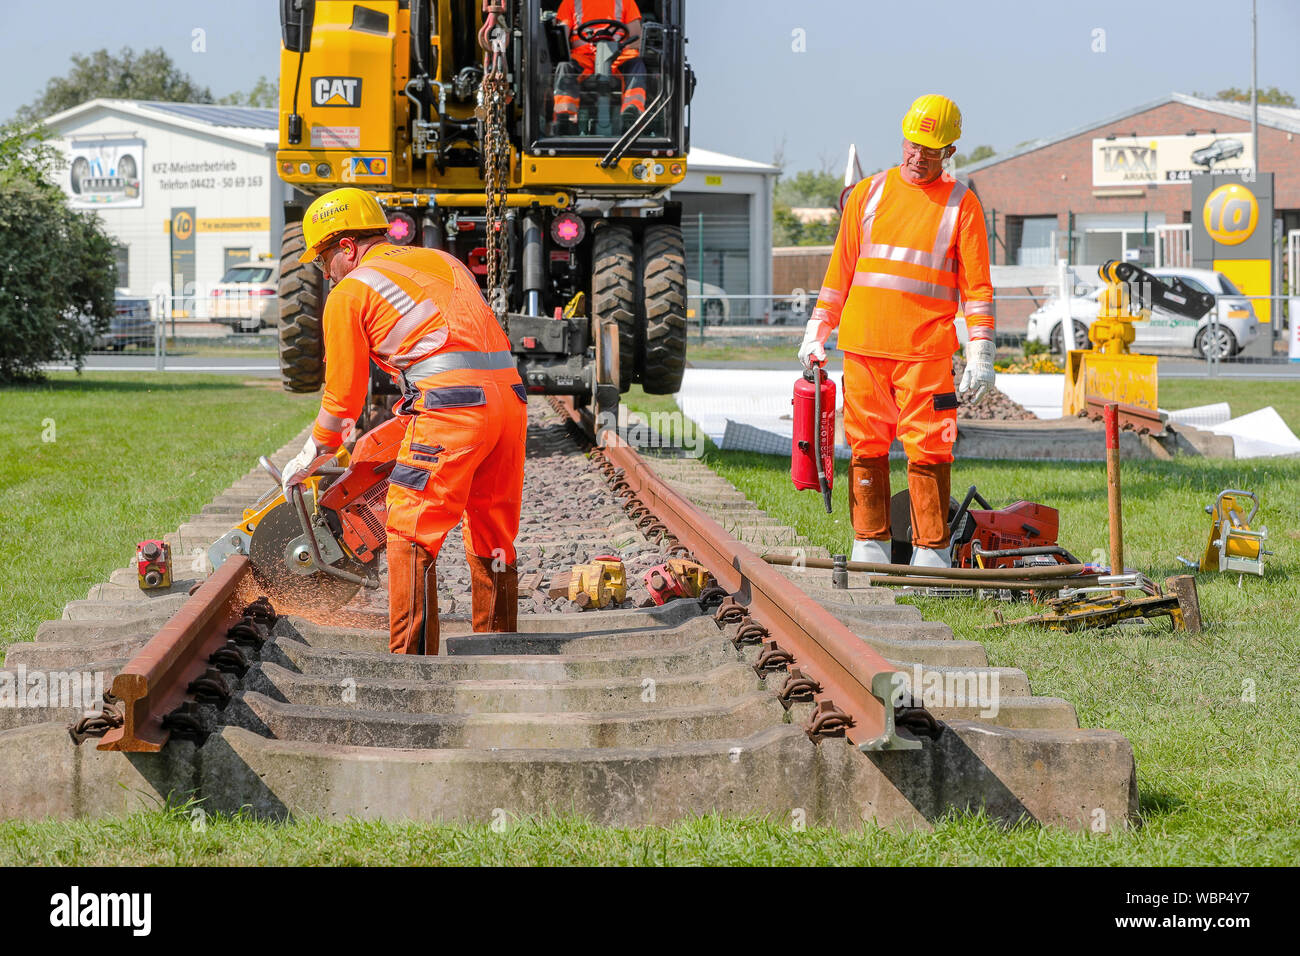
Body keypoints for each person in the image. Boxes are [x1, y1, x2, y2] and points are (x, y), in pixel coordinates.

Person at [281, 187, 527, 654]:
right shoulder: (443, 262)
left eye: (323, 259)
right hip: (510, 406)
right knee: (493, 533)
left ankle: (412, 671)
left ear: (347, 247)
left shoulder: (351, 291)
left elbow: (342, 400)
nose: (324, 271)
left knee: (411, 527)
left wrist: (314, 452)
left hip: (451, 412)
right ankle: (499, 655)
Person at [798, 94, 995, 569]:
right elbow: (839, 273)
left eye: (930, 148)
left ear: (949, 150)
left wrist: (981, 351)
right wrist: (816, 329)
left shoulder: (961, 205)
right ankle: (870, 547)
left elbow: (978, 288)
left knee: (929, 450)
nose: (917, 155)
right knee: (865, 447)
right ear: (902, 137)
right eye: (912, 144)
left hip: (926, 354)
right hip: (863, 350)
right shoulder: (868, 194)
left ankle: (931, 554)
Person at [552, 0, 647, 134]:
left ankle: (632, 113)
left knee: (636, 64)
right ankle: (565, 118)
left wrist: (617, 48)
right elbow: (560, 37)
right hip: (584, 57)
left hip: (616, 56)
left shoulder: (626, 2)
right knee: (565, 67)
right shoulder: (570, 2)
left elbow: (637, 37)